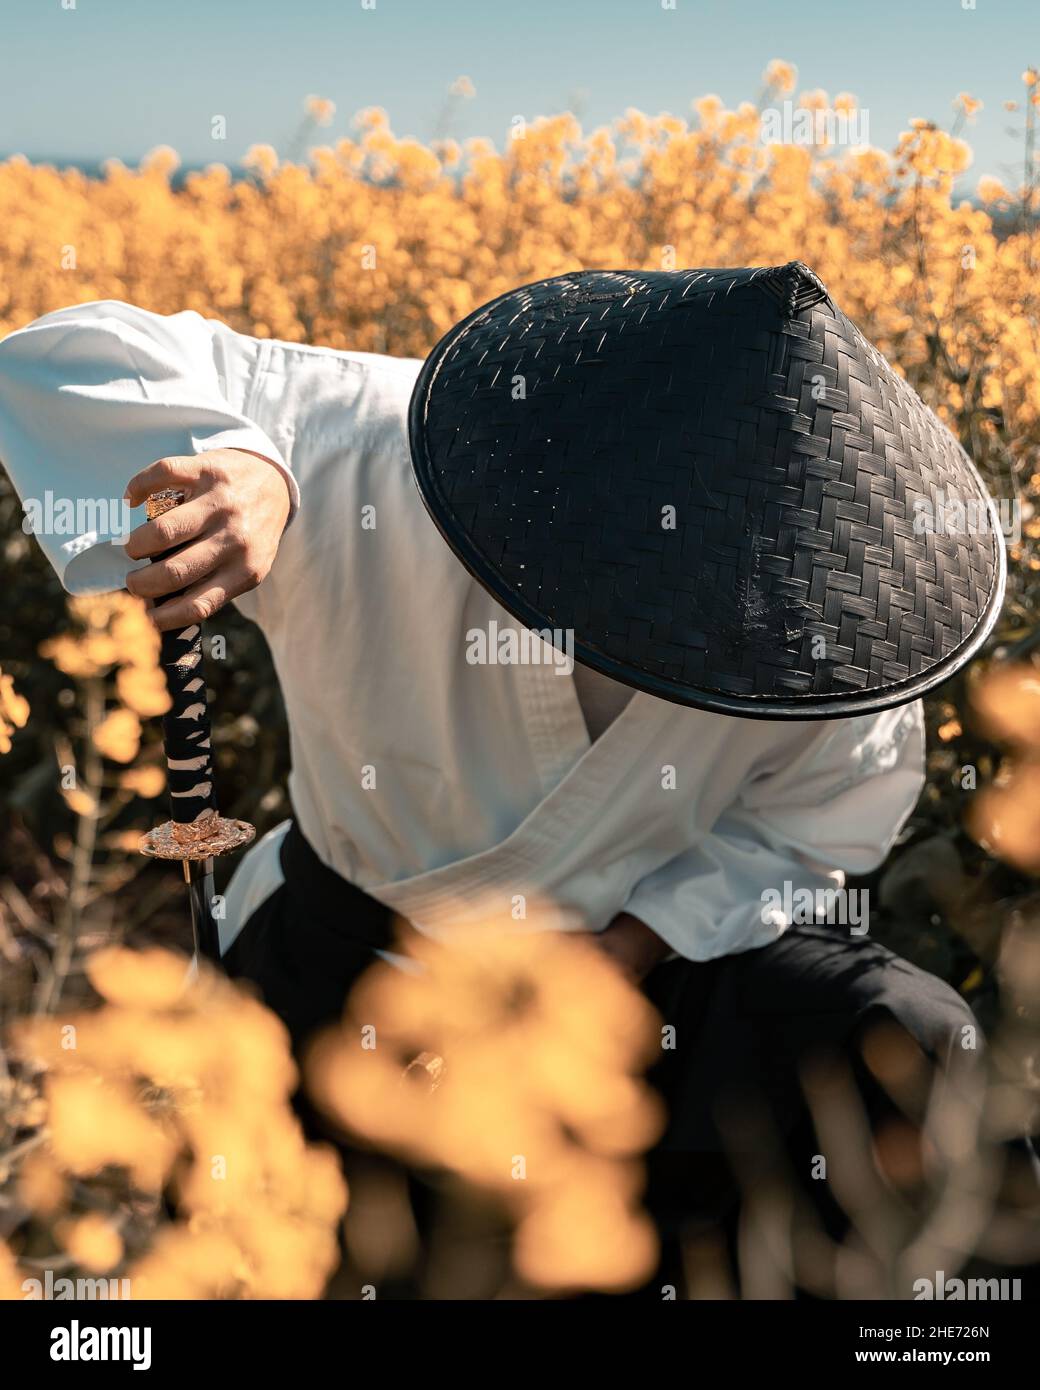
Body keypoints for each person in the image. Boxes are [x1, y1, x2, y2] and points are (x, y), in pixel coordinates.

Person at [0, 263, 1006, 1263]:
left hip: (633, 987)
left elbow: (804, 833)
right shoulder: (376, 444)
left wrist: (628, 947)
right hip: (353, 952)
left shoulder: (837, 631)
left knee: (904, 1029)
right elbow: (70, 349)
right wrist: (235, 460)